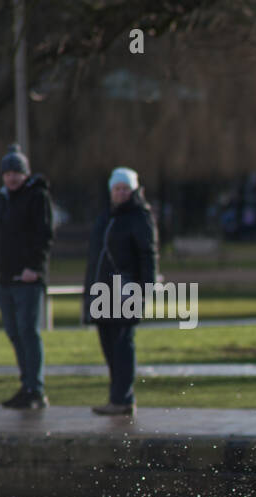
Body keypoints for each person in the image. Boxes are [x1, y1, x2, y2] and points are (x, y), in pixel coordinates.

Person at [0, 144, 54, 410]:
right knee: (14, 333)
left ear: (26, 174)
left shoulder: (36, 197)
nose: (11, 177)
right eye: (7, 173)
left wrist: (34, 267)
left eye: (16, 173)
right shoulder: (2, 199)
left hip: (27, 279)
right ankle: (26, 385)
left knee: (27, 332)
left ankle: (36, 389)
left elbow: (44, 235)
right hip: (5, 278)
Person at [83, 167, 158, 416]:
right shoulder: (106, 216)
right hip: (102, 289)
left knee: (122, 343)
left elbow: (148, 255)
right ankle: (119, 396)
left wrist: (147, 287)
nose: (121, 193)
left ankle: (122, 398)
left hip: (126, 289)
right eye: (117, 188)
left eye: (126, 188)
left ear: (134, 190)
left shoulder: (140, 216)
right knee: (108, 344)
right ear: (111, 191)